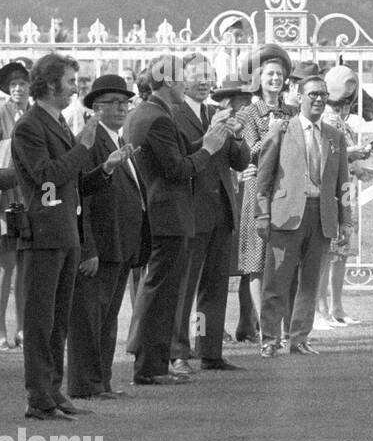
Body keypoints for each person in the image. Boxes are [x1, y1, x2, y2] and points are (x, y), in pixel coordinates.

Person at [10, 53, 114, 419]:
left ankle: (52, 391)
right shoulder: (29, 126)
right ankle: (39, 397)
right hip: (43, 234)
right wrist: (84, 147)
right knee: (41, 322)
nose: (76, 87)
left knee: (58, 319)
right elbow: (48, 176)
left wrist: (103, 170)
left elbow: (71, 182)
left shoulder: (55, 124)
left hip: (64, 232)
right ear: (51, 84)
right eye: (71, 81)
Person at [123, 56, 234, 386]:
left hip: (165, 215)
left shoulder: (150, 113)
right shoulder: (157, 117)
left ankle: (155, 364)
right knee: (160, 294)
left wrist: (211, 138)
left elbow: (182, 154)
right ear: (168, 82)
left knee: (163, 293)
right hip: (167, 216)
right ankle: (149, 366)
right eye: (182, 79)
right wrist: (210, 148)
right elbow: (179, 169)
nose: (187, 85)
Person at [255, 72, 351, 358]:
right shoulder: (282, 129)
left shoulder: (335, 136)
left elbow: (343, 182)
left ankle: (299, 337)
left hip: (321, 215)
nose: (319, 99)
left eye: (323, 94)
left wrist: (346, 219)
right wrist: (262, 215)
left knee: (310, 282)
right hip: (286, 215)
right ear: (300, 96)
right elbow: (264, 177)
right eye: (313, 94)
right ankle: (270, 339)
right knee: (277, 280)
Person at [168, 53, 250, 375]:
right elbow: (181, 157)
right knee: (185, 286)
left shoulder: (217, 112)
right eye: (197, 74)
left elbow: (240, 162)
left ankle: (209, 350)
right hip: (191, 211)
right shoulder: (173, 115)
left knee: (214, 287)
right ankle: (178, 352)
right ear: (182, 79)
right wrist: (210, 135)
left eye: (208, 74)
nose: (204, 81)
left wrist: (238, 135)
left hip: (221, 212)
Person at [67, 74, 145, 400]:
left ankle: (102, 381)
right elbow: (79, 191)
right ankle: (86, 384)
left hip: (121, 242)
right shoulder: (90, 138)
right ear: (95, 108)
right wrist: (88, 247)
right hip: (101, 242)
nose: (121, 107)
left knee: (107, 317)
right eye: (112, 102)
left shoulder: (115, 138)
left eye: (124, 102)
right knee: (90, 318)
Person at [232, 44, 294, 342]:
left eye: (279, 75)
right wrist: (273, 133)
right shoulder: (248, 113)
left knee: (283, 260)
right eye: (270, 74)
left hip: (286, 190)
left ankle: (285, 326)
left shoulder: (292, 110)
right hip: (257, 190)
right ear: (259, 78)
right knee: (256, 262)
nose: (275, 79)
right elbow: (248, 153)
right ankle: (265, 329)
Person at [316, 65, 373, 327]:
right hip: (331, 194)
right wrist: (358, 154)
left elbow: (347, 162)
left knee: (340, 251)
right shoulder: (328, 121)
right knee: (328, 252)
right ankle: (321, 308)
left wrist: (362, 166)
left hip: (344, 193)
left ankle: (336, 307)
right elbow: (333, 157)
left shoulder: (341, 122)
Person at [0, 61, 31, 350]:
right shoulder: (1, 113)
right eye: (13, 84)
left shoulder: (34, 114)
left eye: (23, 83)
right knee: (5, 266)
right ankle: (1, 331)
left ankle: (22, 328)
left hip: (29, 197)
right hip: (5, 195)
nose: (19, 88)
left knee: (25, 266)